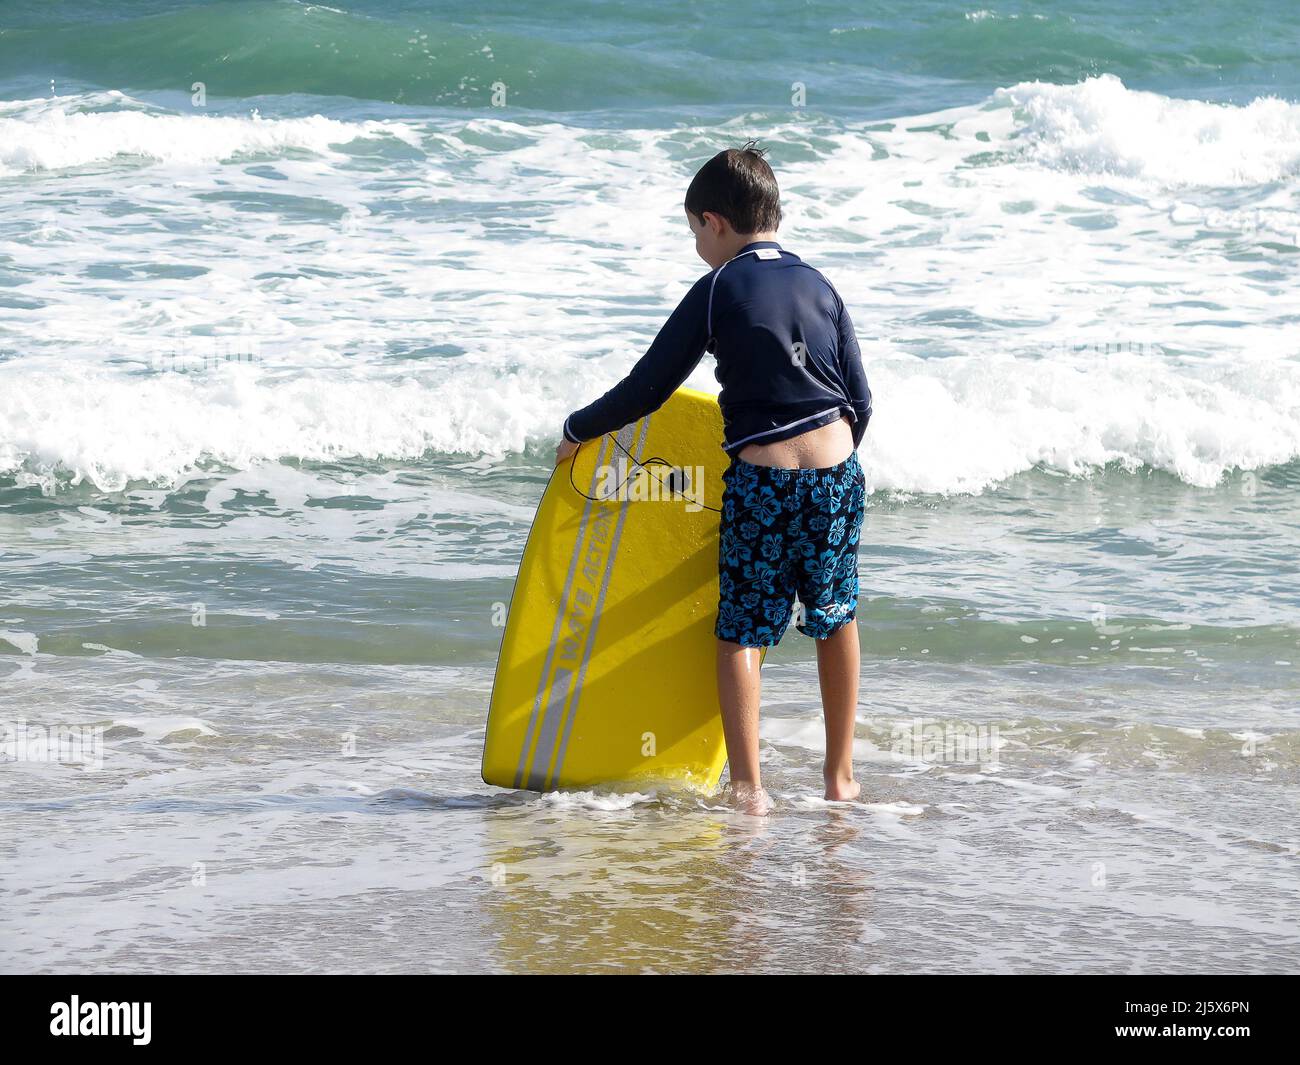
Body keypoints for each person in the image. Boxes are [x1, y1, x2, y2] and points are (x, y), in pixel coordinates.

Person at [554, 143, 872, 815]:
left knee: (742, 633)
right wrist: (833, 480)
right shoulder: (821, 284)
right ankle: (840, 776)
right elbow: (861, 399)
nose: (696, 243)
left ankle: (750, 790)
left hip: (763, 480)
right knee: (836, 615)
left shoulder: (719, 289)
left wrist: (579, 426)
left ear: (714, 223)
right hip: (838, 474)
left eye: (693, 229)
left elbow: (648, 387)